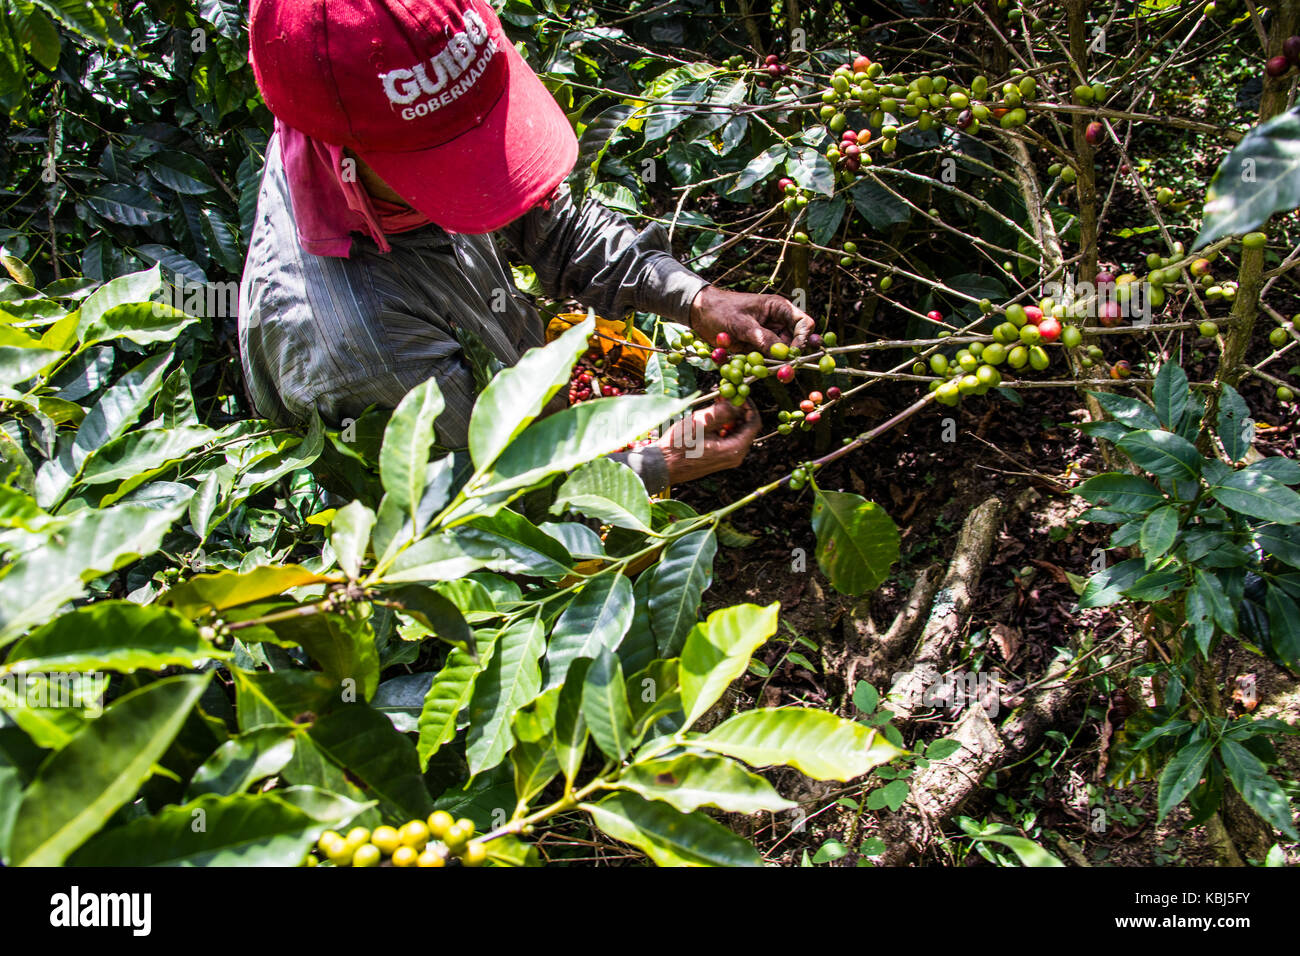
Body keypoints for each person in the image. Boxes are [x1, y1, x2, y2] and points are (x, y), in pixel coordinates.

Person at [237, 0, 813, 492]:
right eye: (449, 166)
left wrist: (695, 300)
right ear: (343, 160)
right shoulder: (361, 345)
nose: (483, 182)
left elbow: (551, 222)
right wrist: (655, 465)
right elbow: (497, 487)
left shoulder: (361, 122)